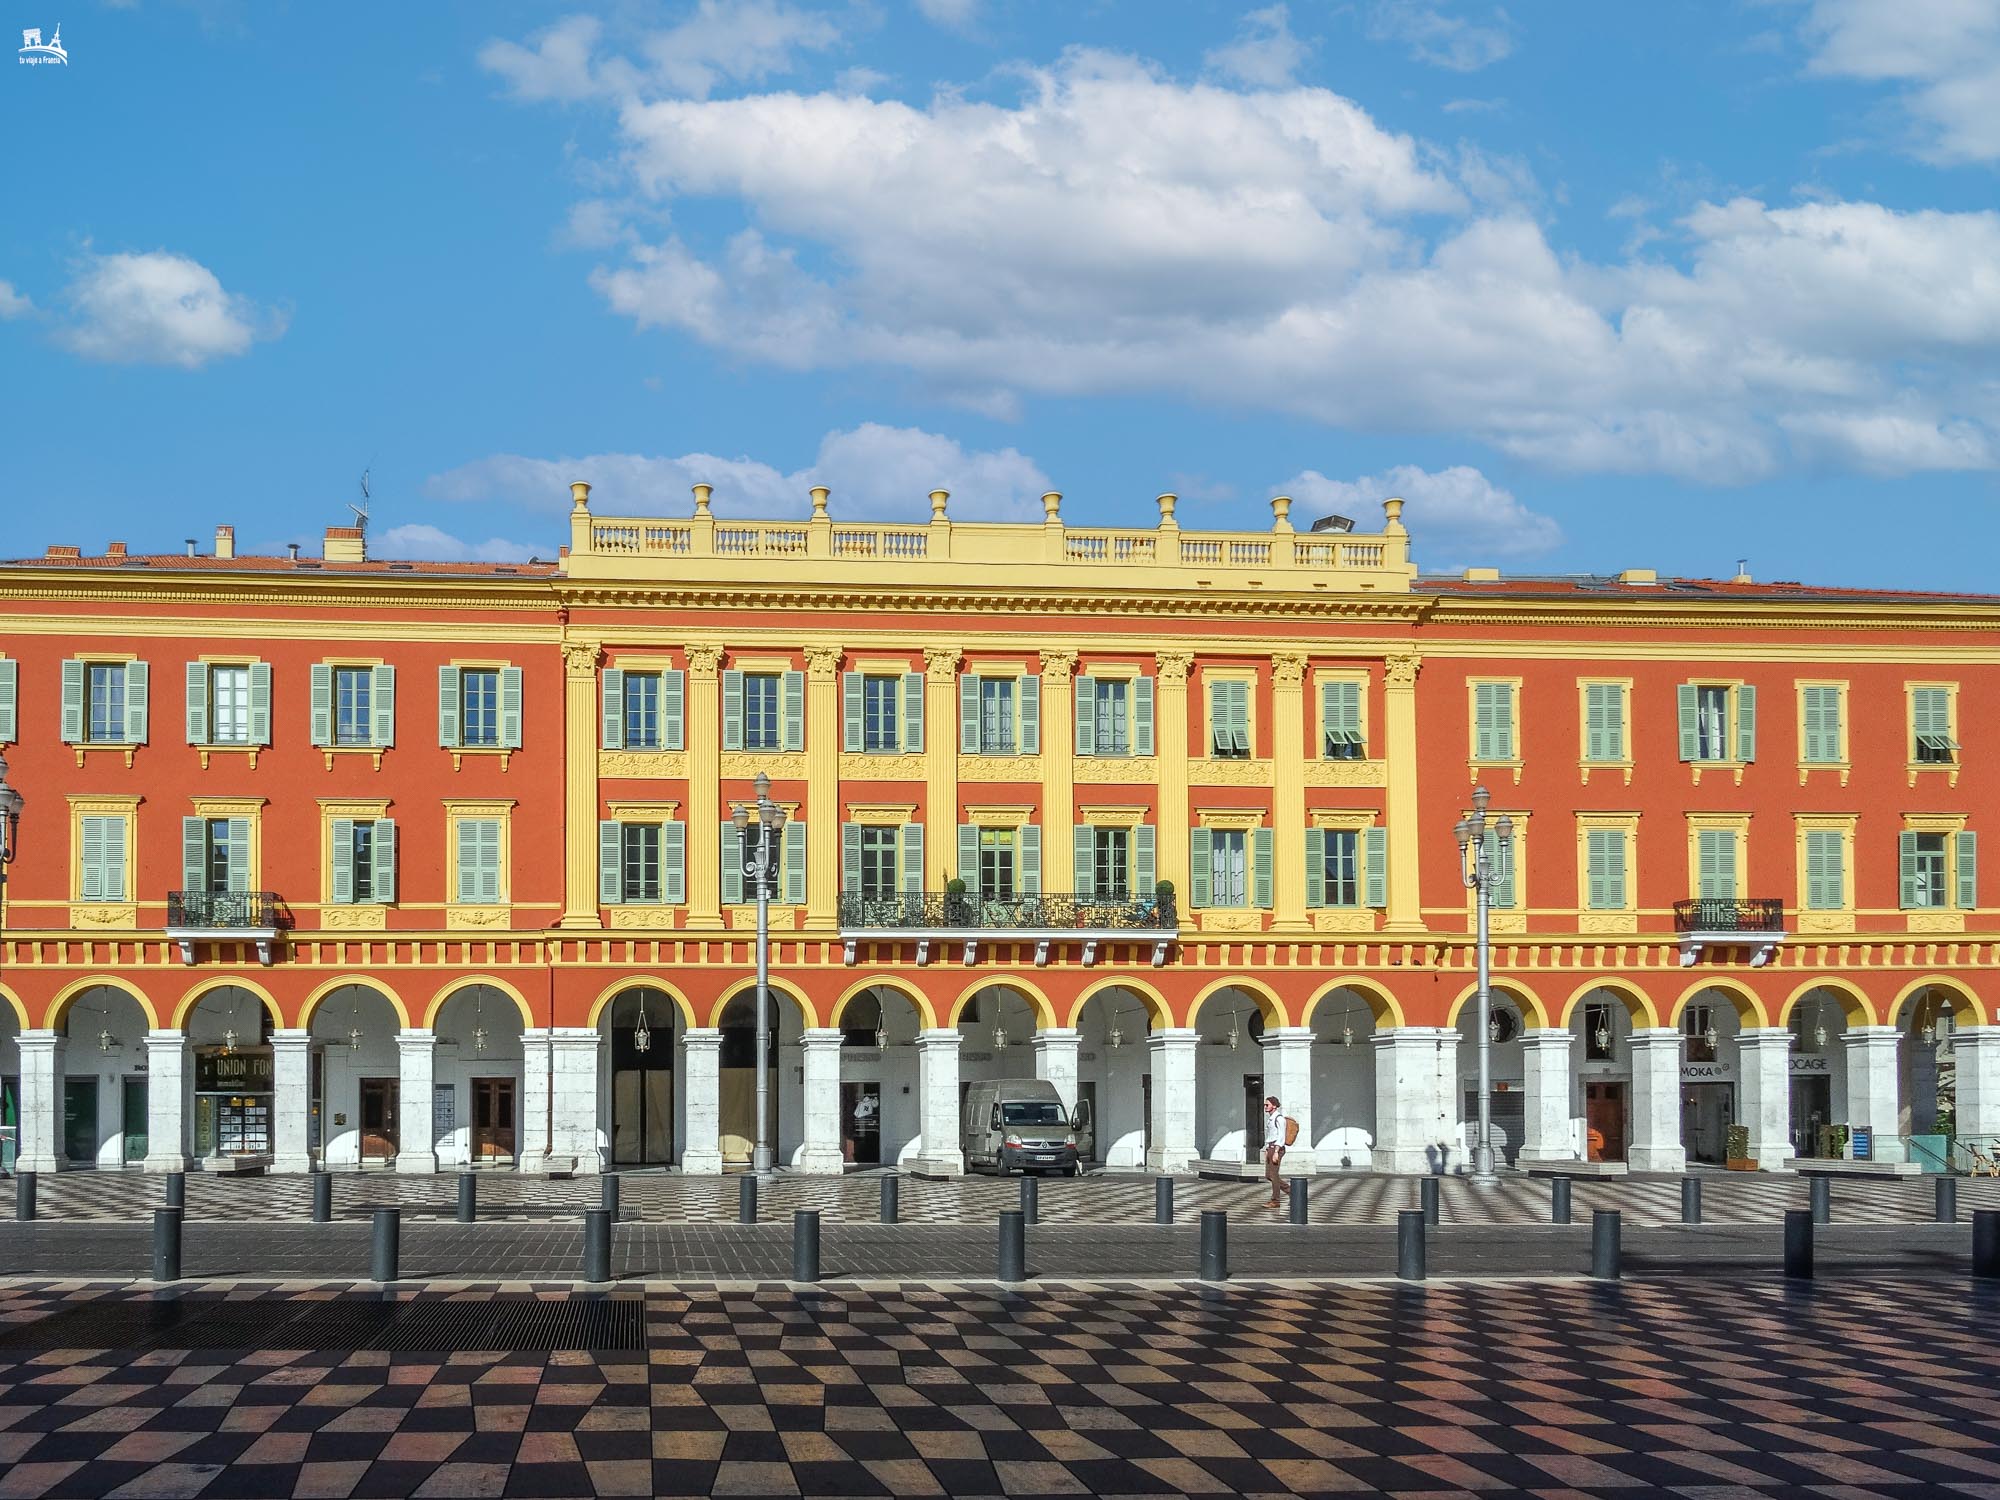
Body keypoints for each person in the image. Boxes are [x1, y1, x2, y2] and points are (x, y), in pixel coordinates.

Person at [1261, 1095, 1287, 1208]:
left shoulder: (1279, 1119)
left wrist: (1276, 1151)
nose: (1265, 1107)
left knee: (1273, 1175)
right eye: (1265, 1105)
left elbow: (1281, 1136)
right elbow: (1270, 1135)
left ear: (1274, 1106)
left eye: (1267, 1105)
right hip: (1270, 1147)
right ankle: (1292, 1191)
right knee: (1269, 1175)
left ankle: (1275, 1200)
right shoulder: (1271, 1119)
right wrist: (1267, 1148)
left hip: (1276, 1148)